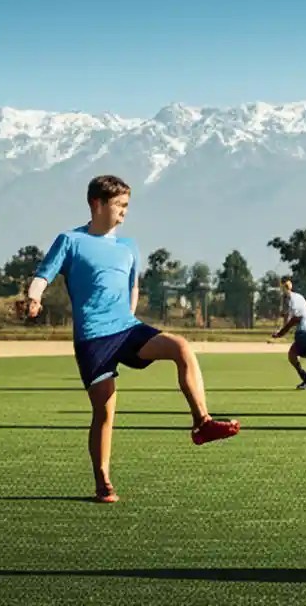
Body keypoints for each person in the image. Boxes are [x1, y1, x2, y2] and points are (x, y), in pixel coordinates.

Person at [23, 175, 240, 503]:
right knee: (105, 411)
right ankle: (103, 482)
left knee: (181, 347)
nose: (125, 213)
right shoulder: (69, 240)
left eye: (127, 206)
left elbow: (132, 287)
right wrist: (33, 298)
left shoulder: (129, 246)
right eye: (120, 205)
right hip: (93, 339)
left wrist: (130, 316)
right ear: (97, 204)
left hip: (127, 329)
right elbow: (43, 276)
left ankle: (202, 422)